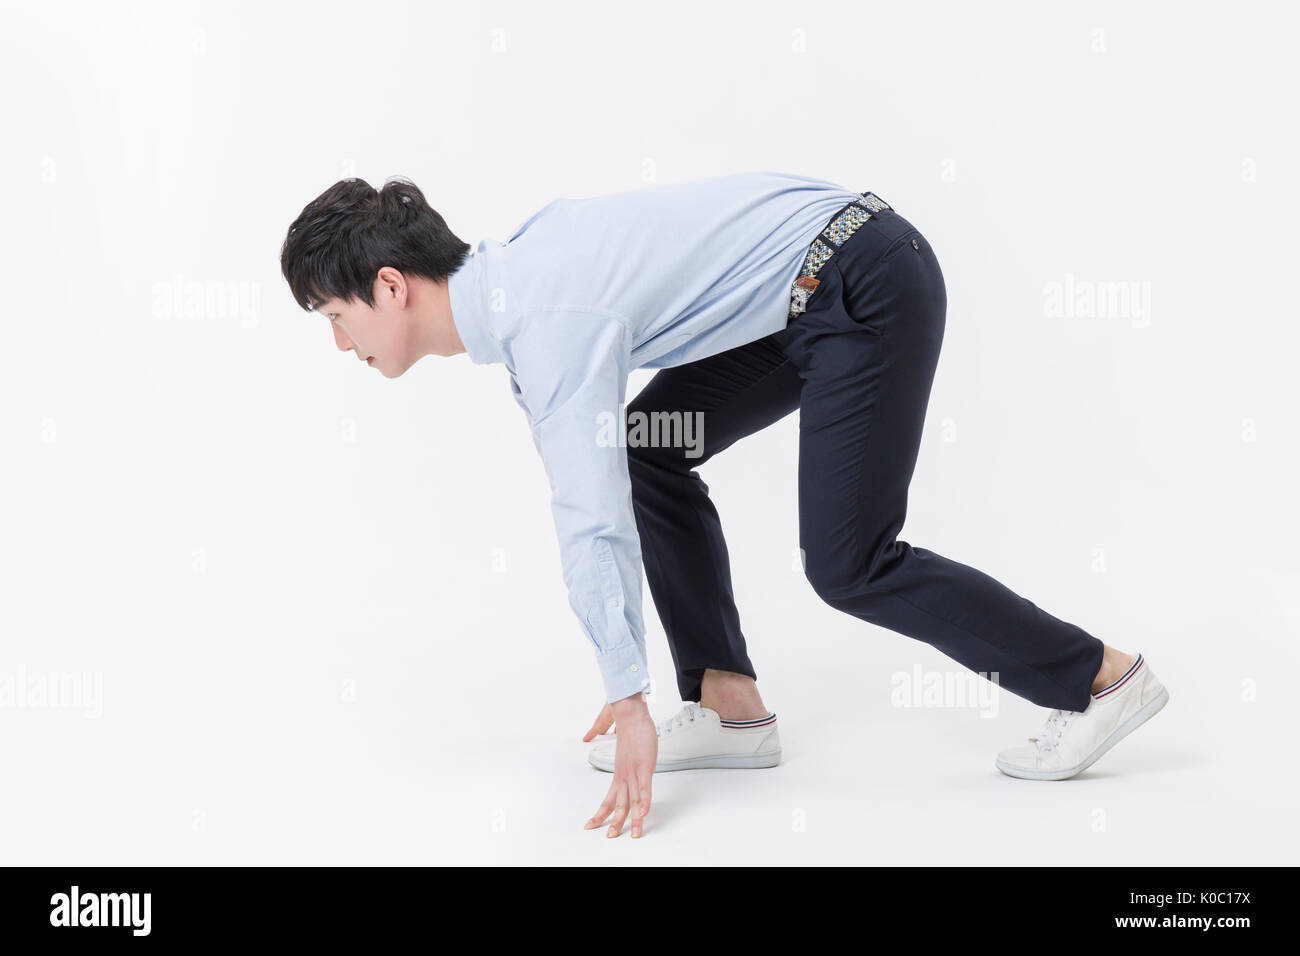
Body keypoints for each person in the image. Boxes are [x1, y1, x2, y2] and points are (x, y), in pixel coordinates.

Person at [279, 171, 1170, 839]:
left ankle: (1100, 678)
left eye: (332, 315)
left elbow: (588, 518)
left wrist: (626, 692)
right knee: (647, 450)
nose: (337, 342)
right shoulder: (520, 283)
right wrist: (624, 666)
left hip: (862, 285)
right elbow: (596, 475)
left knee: (849, 564)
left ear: (390, 287)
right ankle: (731, 704)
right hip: (807, 297)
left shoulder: (544, 321)